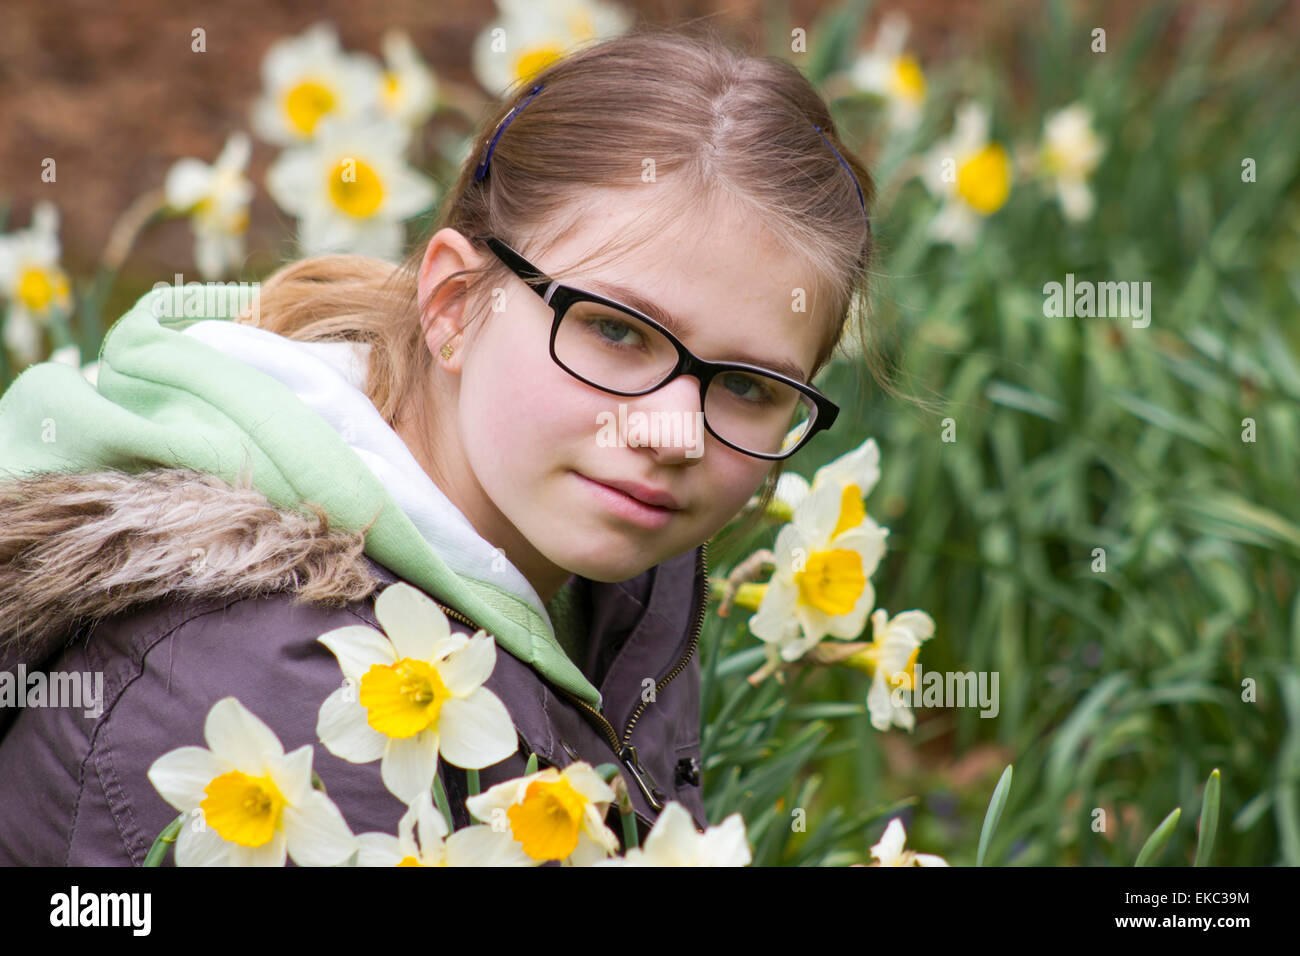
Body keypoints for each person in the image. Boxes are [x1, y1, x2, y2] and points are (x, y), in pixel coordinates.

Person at [0, 24, 877, 865]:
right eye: (615, 332)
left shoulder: (600, 551)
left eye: (750, 387)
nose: (674, 433)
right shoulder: (272, 684)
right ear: (455, 305)